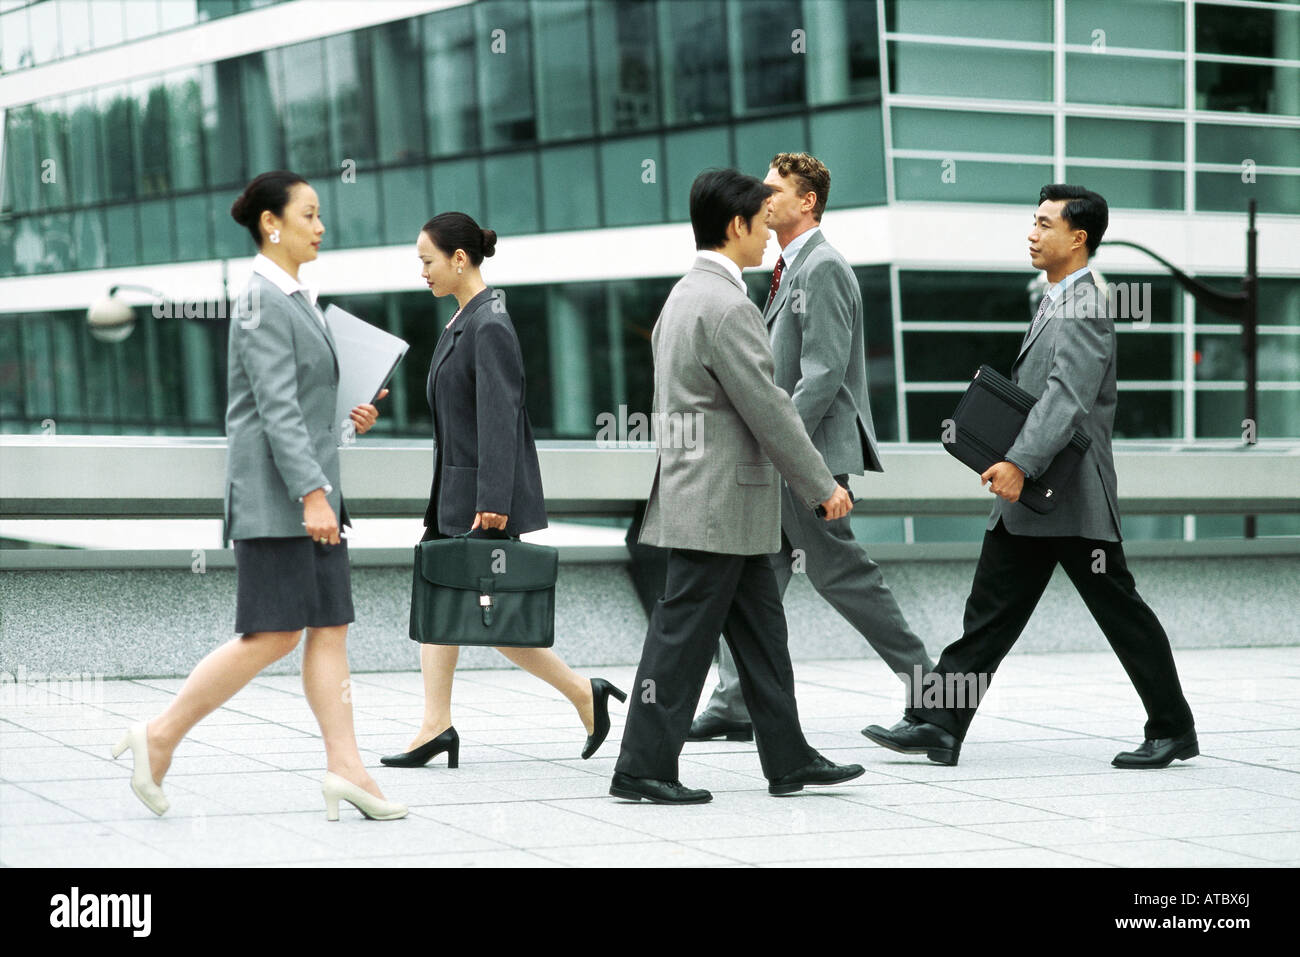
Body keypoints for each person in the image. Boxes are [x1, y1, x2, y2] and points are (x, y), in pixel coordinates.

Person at [863, 185, 1197, 768]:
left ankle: (1173, 729)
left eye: (1045, 224)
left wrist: (1019, 463)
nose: (1032, 233)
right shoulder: (1056, 298)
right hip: (1040, 496)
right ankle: (940, 723)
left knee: (1121, 612)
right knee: (989, 613)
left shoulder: (1087, 304)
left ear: (1079, 237)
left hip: (1069, 494)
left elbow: (1067, 399)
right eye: (1033, 222)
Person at [114, 170, 407, 822]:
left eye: (319, 214)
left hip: (311, 493)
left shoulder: (299, 298)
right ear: (272, 224)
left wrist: (347, 414)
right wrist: (311, 494)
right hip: (283, 501)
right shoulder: (261, 300)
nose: (320, 225)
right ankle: (158, 734)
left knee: (330, 628)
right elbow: (273, 410)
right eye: (308, 214)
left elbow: (301, 402)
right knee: (270, 635)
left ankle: (347, 768)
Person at [609, 169, 866, 805]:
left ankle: (790, 758)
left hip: (719, 500)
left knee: (761, 638)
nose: (768, 235)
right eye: (760, 221)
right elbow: (770, 408)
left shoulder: (682, 296)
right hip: (719, 504)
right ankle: (641, 766)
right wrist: (819, 485)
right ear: (736, 227)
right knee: (681, 641)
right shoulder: (729, 306)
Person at [690, 152, 934, 744]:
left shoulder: (821, 267)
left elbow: (822, 375)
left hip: (810, 457)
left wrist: (782, 448)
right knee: (755, 576)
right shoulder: (785, 269)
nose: (763, 197)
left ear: (808, 202)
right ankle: (732, 701)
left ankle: (935, 696)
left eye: (775, 189)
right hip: (793, 456)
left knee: (843, 577)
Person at [380, 212, 625, 770]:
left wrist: (492, 501)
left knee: (494, 616)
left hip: (477, 501)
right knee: (449, 606)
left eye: (427, 260)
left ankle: (585, 696)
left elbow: (500, 418)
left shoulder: (489, 323)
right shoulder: (462, 320)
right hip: (455, 492)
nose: (422, 271)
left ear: (458, 259)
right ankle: (436, 725)